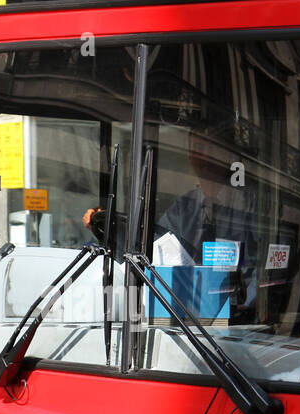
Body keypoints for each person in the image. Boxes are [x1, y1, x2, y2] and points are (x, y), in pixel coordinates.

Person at [83, 126, 259, 318]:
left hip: (237, 319)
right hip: (183, 313)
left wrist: (248, 305)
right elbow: (155, 247)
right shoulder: (184, 206)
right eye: (198, 149)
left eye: (211, 150)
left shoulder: (247, 205)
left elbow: (259, 268)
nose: (203, 157)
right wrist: (108, 227)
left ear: (225, 157)